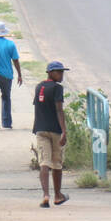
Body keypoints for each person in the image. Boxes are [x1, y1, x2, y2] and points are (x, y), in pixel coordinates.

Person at [32, 61, 69, 208]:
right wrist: (64, 131)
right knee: (57, 163)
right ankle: (57, 195)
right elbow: (59, 110)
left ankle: (45, 195)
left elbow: (37, 106)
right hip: (54, 130)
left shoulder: (39, 86)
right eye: (58, 72)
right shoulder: (57, 88)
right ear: (50, 72)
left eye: (62, 72)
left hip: (40, 129)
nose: (61, 75)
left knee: (44, 162)